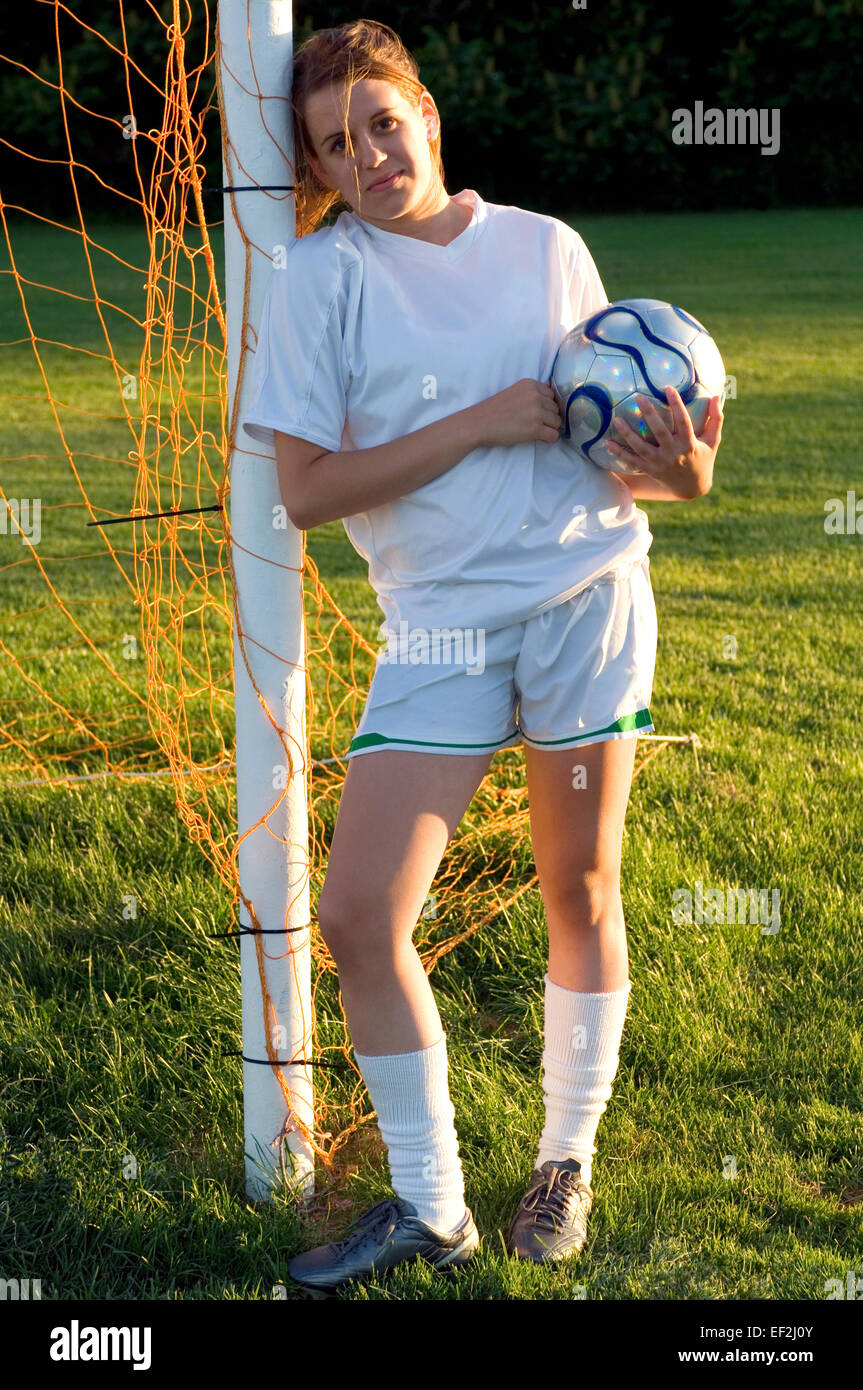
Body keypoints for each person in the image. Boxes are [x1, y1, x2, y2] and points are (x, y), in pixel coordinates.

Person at [240, 19, 723, 1296]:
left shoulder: (544, 247)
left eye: (382, 122)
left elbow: (628, 450)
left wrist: (685, 468)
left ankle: (563, 1158)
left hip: (583, 599)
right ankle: (432, 1205)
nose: (366, 154)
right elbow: (308, 492)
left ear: (429, 116)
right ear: (320, 167)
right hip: (439, 627)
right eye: (335, 143)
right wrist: (474, 422)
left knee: (580, 890)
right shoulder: (317, 279)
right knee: (356, 913)